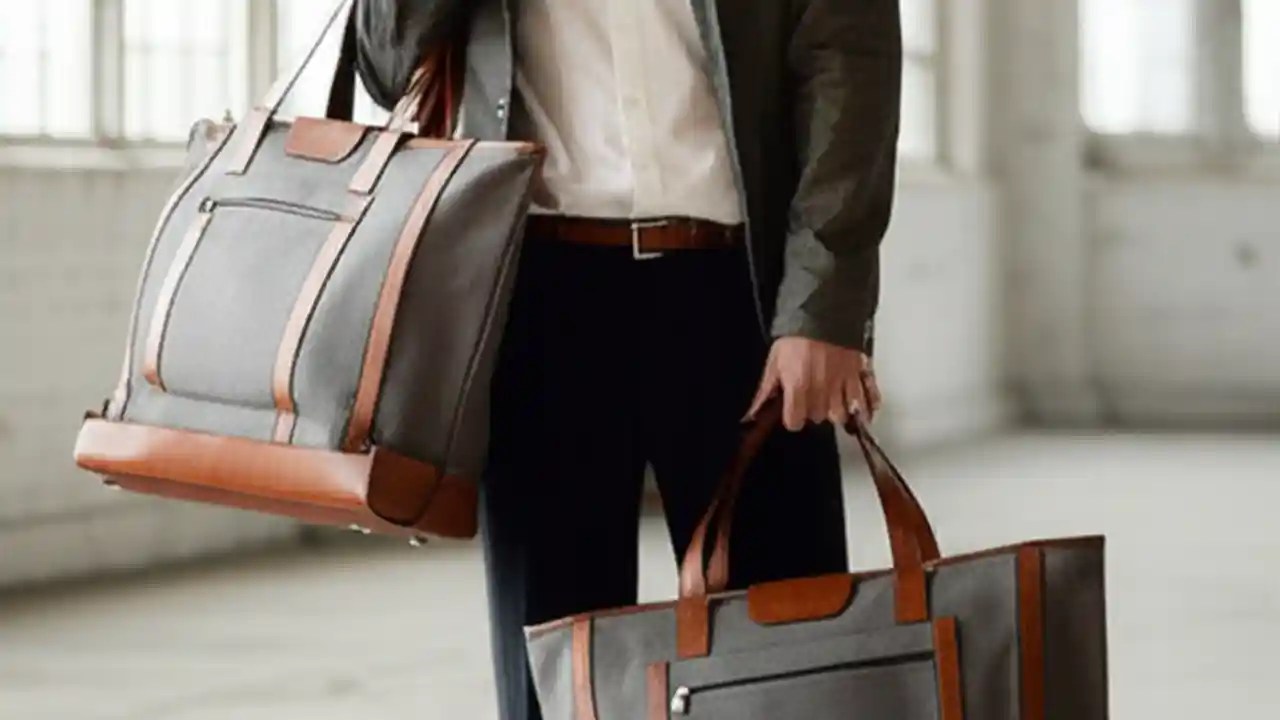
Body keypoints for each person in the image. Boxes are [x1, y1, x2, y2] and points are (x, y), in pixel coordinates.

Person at [355, 1, 901, 718]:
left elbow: (847, 56)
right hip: (542, 297)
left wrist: (824, 302)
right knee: (554, 677)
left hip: (742, 294)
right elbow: (388, 66)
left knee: (786, 663)